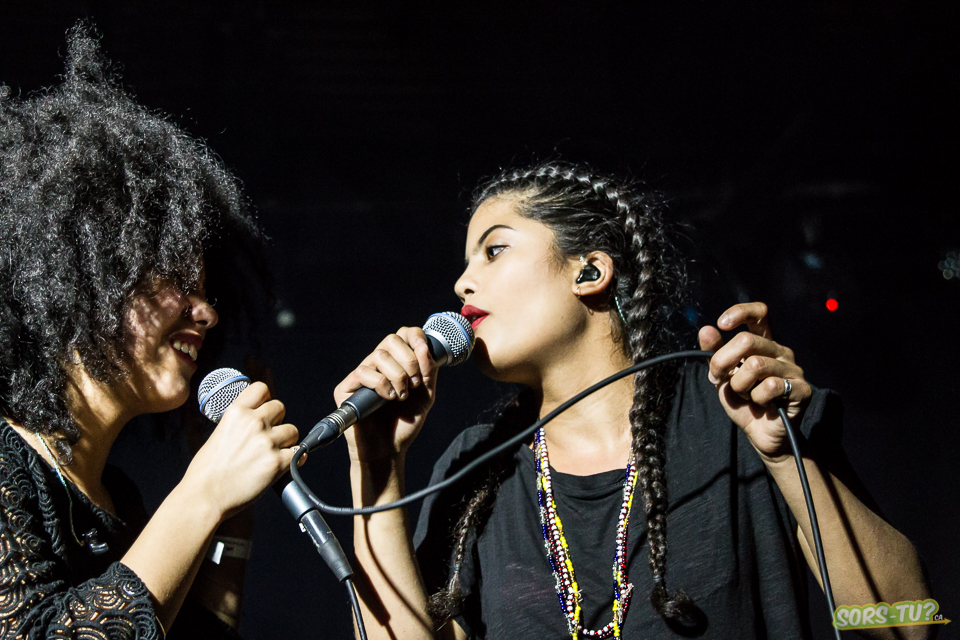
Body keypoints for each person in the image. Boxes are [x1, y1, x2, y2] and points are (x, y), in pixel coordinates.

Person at [335, 161, 932, 639]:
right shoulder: (474, 470)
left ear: (590, 271)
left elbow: (907, 622)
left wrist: (783, 458)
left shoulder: (738, 414)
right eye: (466, 264)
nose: (462, 283)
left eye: (493, 251)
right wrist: (378, 473)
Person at [0, 23, 298, 638]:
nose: (206, 313)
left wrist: (233, 514)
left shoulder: (118, 500)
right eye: (177, 284)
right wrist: (205, 490)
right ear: (86, 281)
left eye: (208, 293)